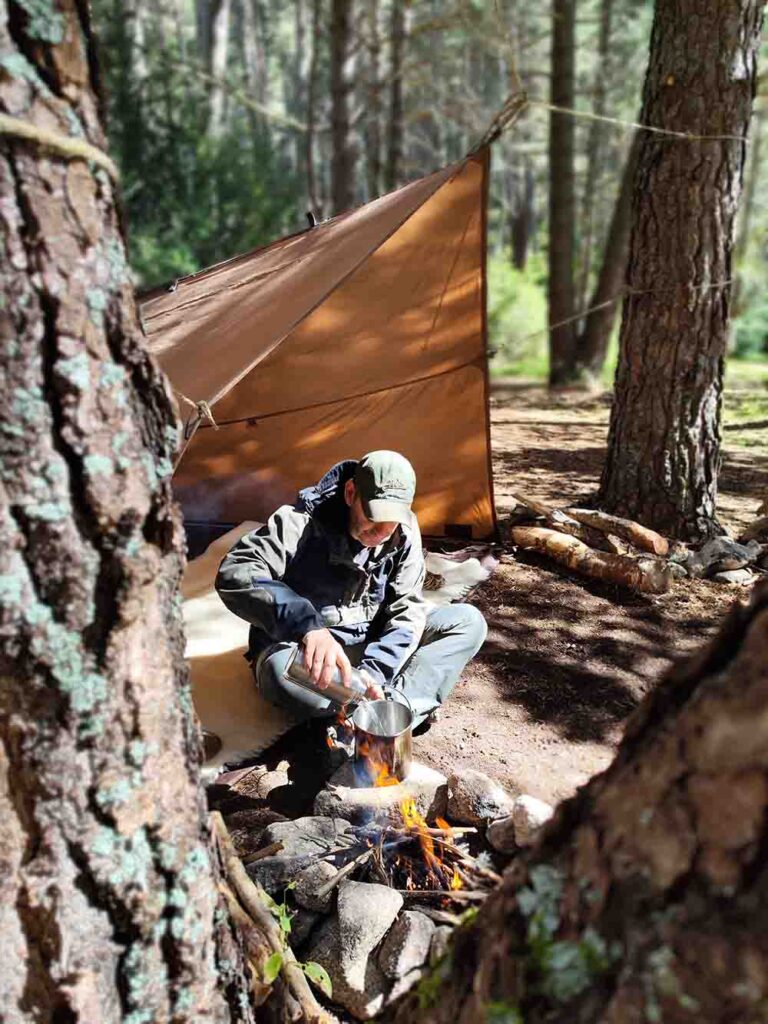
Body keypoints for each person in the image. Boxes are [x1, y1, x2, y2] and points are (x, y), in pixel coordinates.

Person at [215, 450, 487, 729]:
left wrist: (376, 672)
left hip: (369, 644)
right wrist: (308, 627)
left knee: (467, 622)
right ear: (350, 493)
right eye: (374, 515)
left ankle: (384, 707)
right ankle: (383, 711)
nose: (382, 530)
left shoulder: (405, 530)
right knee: (279, 671)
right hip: (306, 654)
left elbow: (407, 607)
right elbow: (237, 571)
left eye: (391, 519)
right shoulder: (300, 522)